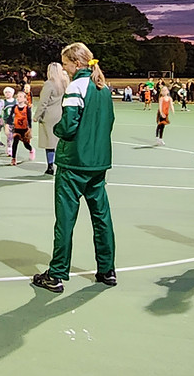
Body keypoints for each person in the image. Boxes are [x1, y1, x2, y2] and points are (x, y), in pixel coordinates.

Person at [32, 43, 117, 293]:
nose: (65, 69)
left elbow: (68, 127)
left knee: (66, 219)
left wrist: (55, 130)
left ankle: (57, 273)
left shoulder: (76, 87)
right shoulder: (103, 88)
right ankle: (107, 270)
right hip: (98, 162)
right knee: (101, 217)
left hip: (73, 163)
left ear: (76, 63)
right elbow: (108, 122)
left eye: (66, 64)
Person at [36, 62, 66, 175]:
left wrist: (37, 116)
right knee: (59, 142)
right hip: (60, 113)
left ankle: (50, 166)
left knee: (49, 143)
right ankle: (61, 165)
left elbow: (43, 102)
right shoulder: (65, 83)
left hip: (49, 116)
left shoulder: (49, 84)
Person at [9, 91, 35, 165]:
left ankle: (31, 150)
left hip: (24, 129)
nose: (18, 98)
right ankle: (13, 158)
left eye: (20, 96)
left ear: (24, 99)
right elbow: (10, 117)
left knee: (26, 144)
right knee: (15, 142)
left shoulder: (27, 108)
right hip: (17, 128)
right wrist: (8, 125)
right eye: (17, 96)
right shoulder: (14, 107)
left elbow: (29, 119)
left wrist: (30, 129)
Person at [2, 86, 17, 152]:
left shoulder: (16, 101)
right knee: (8, 134)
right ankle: (9, 147)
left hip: (15, 120)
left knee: (14, 135)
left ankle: (12, 147)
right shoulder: (3, 102)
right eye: (6, 92)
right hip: (7, 121)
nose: (7, 93)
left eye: (9, 92)